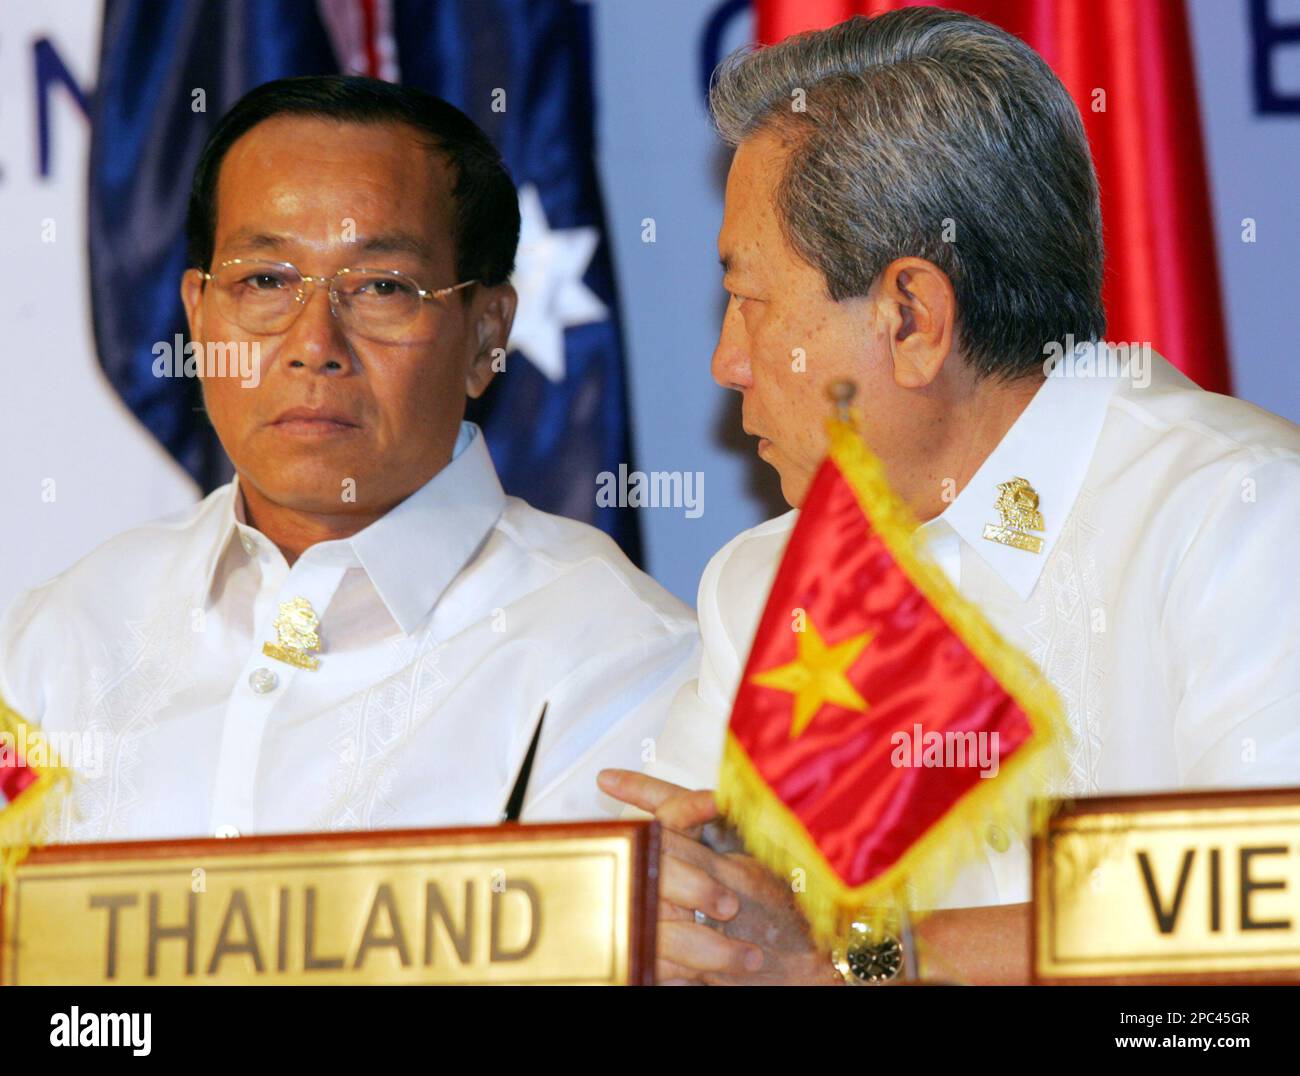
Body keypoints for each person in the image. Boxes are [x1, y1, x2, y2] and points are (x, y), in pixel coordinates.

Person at [600, 7, 1300, 985]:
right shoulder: (764, 582)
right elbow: (675, 923)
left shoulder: (1243, 512)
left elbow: (1272, 919)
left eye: (751, 301)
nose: (725, 361)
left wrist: (855, 959)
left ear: (914, 317)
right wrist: (688, 912)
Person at [0, 75, 697, 843]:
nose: (312, 347)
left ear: (486, 335)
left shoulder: (613, 654)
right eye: (265, 282)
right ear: (198, 318)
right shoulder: (71, 634)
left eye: (380, 288)